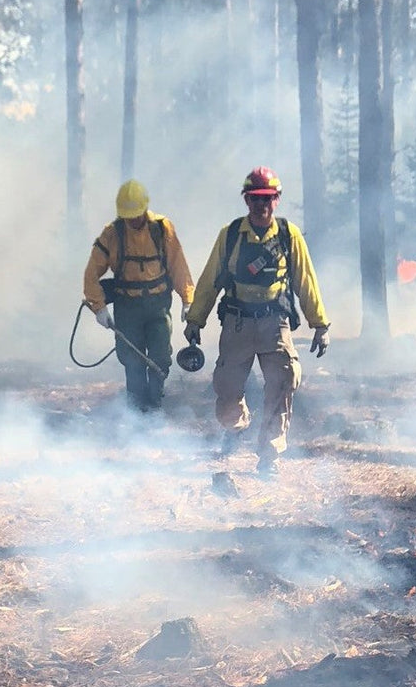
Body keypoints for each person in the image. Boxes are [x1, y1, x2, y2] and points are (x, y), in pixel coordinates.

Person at [183, 166, 330, 477]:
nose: (262, 205)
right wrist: (196, 319)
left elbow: (306, 281)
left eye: (268, 198)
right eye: (255, 199)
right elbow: (210, 280)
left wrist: (320, 324)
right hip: (237, 324)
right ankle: (237, 427)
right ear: (246, 200)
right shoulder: (231, 235)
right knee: (226, 393)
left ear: (276, 200)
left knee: (284, 382)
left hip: (275, 324)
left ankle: (269, 458)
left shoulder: (289, 236)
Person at [84, 180, 195, 412]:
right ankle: (136, 412)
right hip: (127, 307)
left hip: (158, 307)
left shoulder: (162, 229)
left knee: (160, 358)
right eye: (128, 216)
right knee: (132, 360)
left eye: (136, 215)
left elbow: (178, 266)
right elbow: (91, 273)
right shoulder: (112, 234)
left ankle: (154, 405)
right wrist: (99, 307)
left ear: (145, 209)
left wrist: (188, 300)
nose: (133, 220)